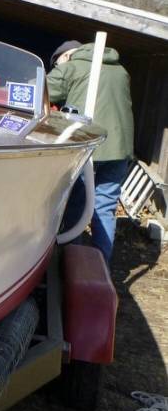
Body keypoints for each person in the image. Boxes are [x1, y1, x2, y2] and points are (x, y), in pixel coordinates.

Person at [48, 39, 134, 263]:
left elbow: (40, 90)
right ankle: (100, 266)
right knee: (105, 206)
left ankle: (69, 262)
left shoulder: (72, 67)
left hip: (89, 147)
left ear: (65, 56)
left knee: (76, 203)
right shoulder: (120, 70)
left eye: (57, 63)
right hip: (118, 148)